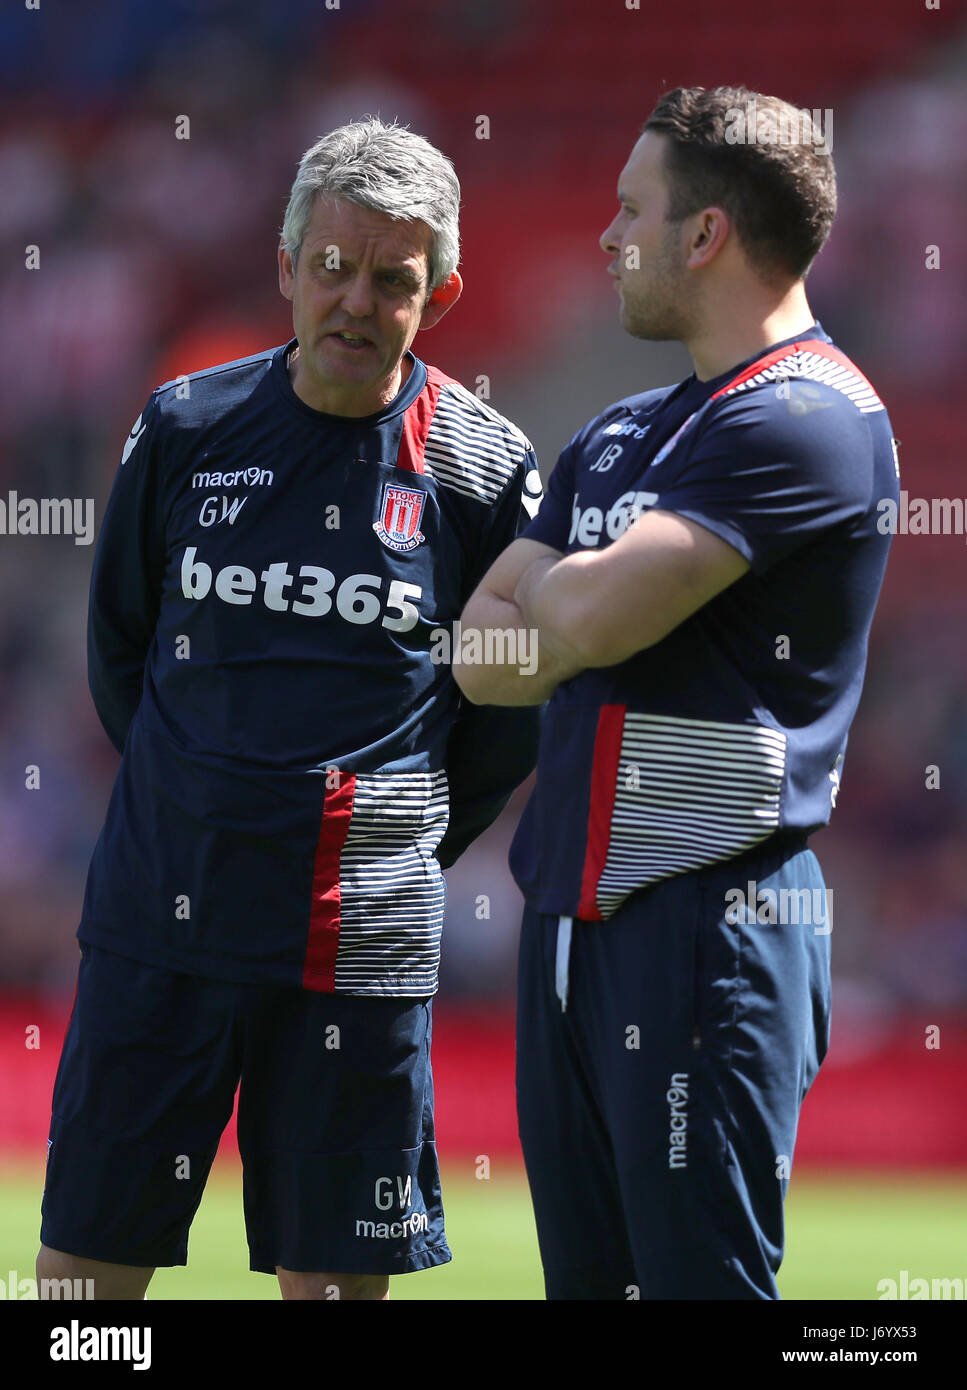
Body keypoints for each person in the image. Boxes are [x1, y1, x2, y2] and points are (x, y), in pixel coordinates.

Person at [38, 118, 541, 1301]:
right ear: (285, 265)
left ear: (444, 293)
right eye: (331, 265)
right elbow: (124, 659)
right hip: (164, 917)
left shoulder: (487, 471)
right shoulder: (185, 426)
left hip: (355, 947)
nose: (355, 300)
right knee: (82, 1289)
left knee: (332, 1289)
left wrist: (392, 841)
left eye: (392, 279)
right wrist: (204, 796)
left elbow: (507, 714)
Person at [455, 85, 899, 1299]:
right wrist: (583, 598)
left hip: (705, 921)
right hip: (570, 921)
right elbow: (473, 655)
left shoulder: (808, 416)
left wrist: (567, 596)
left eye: (630, 209)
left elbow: (569, 616)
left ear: (704, 236)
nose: (607, 238)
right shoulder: (617, 430)